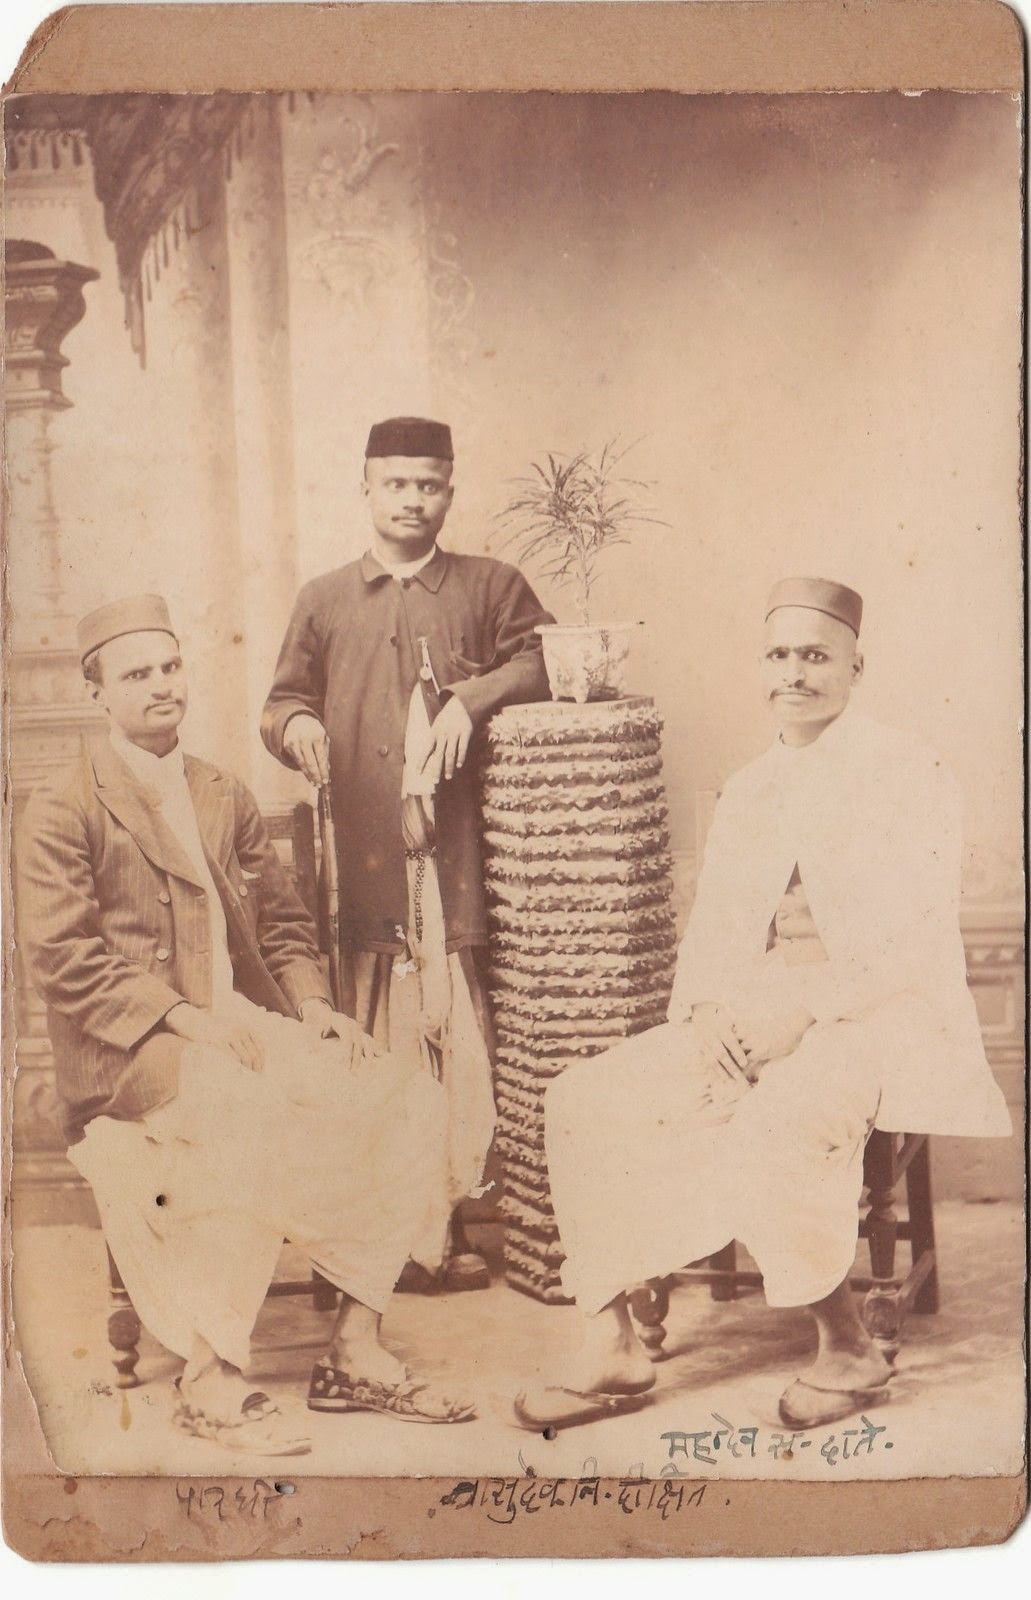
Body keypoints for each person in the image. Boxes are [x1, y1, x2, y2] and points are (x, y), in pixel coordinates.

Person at [521, 576, 1012, 1431]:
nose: (794, 673)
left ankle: (846, 1345)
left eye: (815, 656)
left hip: (880, 1012)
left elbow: (914, 937)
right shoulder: (751, 787)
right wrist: (710, 1013)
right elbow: (714, 930)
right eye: (779, 655)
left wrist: (800, 1018)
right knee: (584, 1097)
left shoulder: (908, 772)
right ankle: (610, 1343)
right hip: (756, 1006)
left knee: (779, 1114)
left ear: (857, 666)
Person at [21, 595, 476, 1457]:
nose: (162, 687)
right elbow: (63, 960)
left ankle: (353, 1344)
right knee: (243, 1114)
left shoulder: (217, 790)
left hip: (238, 1021)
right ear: (97, 693)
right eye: (136, 674)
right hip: (135, 1050)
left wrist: (311, 1010)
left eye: (170, 666)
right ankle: (211, 1376)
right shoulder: (61, 805)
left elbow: (284, 928)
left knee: (401, 1096)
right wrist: (187, 1021)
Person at [261, 416, 554, 1289]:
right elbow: (279, 703)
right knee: (377, 1042)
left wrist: (471, 698)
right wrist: (300, 723)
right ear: (366, 488)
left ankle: (450, 1228)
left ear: (449, 493)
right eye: (396, 484)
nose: (413, 500)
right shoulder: (323, 597)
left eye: (429, 484)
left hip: (458, 858)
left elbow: (543, 659)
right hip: (367, 861)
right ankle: (376, 1231)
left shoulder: (488, 584)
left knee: (454, 1039)